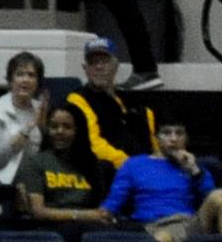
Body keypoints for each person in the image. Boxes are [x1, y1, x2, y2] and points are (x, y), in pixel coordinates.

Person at [99, 119, 222, 242]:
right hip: (152, 226)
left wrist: (194, 170)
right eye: (167, 133)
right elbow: (112, 206)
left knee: (221, 195)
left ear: (186, 138)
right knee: (162, 239)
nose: (173, 139)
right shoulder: (134, 164)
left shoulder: (193, 165)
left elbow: (210, 196)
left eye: (179, 133)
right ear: (156, 138)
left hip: (189, 223)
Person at [66, 37, 158, 172]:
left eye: (104, 61)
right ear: (85, 68)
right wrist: (131, 166)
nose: (99, 67)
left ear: (116, 65)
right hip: (111, 172)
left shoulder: (132, 101)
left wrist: (158, 164)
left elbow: (154, 142)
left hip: (147, 170)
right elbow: (94, 144)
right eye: (93, 62)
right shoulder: (77, 99)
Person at [16, 105, 113, 226]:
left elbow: (104, 211)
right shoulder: (36, 163)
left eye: (67, 127)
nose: (59, 131)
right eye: (54, 126)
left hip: (90, 228)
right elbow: (38, 211)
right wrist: (84, 215)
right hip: (51, 228)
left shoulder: (96, 165)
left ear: (78, 131)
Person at [0, 53, 49, 186]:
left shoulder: (41, 108)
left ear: (38, 82)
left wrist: (44, 127)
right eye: (19, 74)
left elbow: (48, 153)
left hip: (36, 180)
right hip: (3, 182)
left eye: (31, 75)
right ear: (10, 81)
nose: (25, 80)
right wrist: (29, 127)